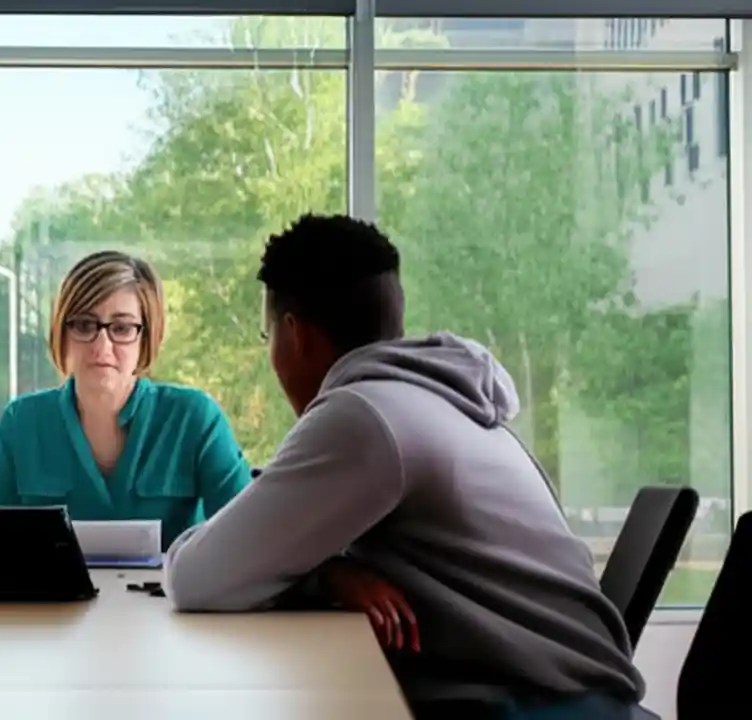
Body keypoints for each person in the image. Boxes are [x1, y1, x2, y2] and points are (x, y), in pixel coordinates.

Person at [163, 215, 646, 718]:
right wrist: (330, 573)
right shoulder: (439, 399)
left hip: (537, 705)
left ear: (295, 334)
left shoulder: (365, 417)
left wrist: (319, 573)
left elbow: (196, 578)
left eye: (268, 337)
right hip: (559, 689)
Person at [0, 250, 250, 548]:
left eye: (122, 328)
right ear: (61, 334)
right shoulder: (22, 422)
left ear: (146, 337)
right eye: (84, 325)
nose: (102, 345)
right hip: (56, 596)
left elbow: (251, 535)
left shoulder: (194, 417)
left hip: (169, 596)